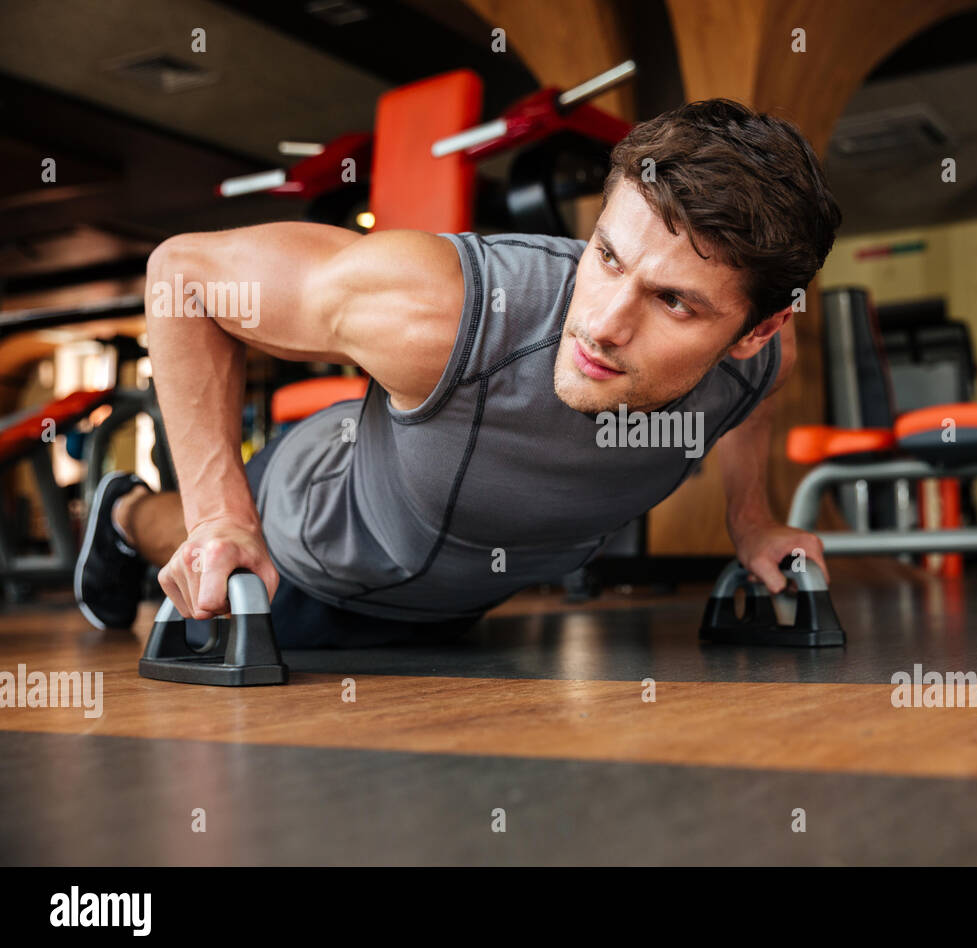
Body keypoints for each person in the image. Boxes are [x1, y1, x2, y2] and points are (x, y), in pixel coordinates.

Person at [73, 99, 842, 648]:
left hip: (451, 607)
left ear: (756, 329)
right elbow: (182, 276)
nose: (603, 324)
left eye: (674, 302)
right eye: (606, 256)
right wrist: (217, 519)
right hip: (316, 540)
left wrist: (752, 520)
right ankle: (122, 512)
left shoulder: (767, 356)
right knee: (209, 545)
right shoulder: (446, 309)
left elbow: (761, 393)